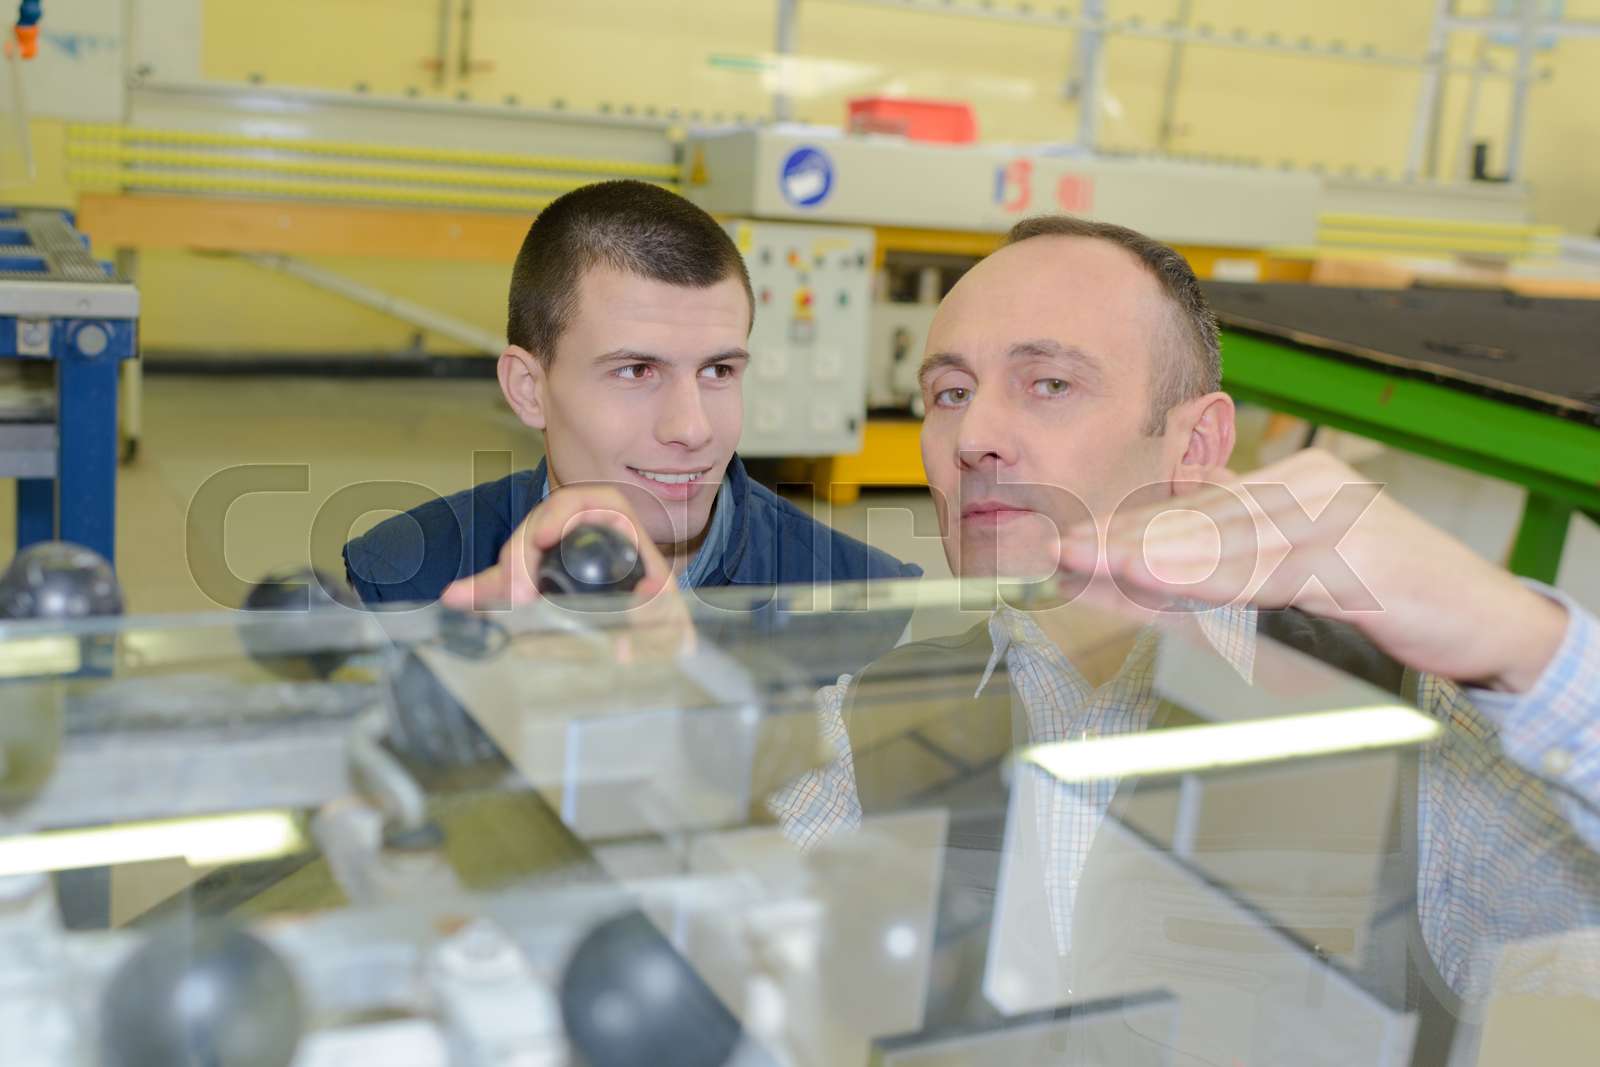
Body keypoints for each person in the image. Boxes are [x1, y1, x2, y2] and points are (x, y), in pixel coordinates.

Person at [343, 180, 920, 606]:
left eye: (718, 371)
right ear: (528, 388)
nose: (692, 429)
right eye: (636, 371)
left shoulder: (862, 600)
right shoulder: (403, 578)